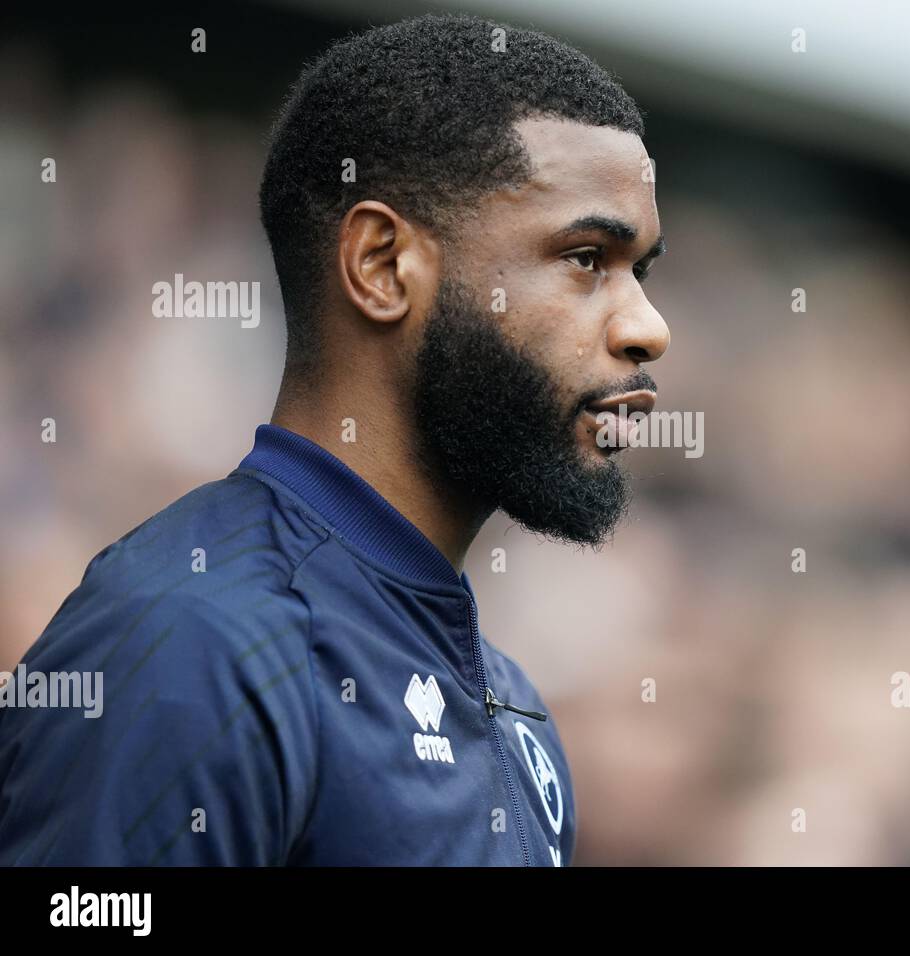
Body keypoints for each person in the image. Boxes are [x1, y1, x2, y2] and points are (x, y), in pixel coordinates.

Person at [0, 12, 670, 866]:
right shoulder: (194, 647)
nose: (648, 327)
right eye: (585, 259)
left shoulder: (515, 707)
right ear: (383, 266)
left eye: (638, 272)